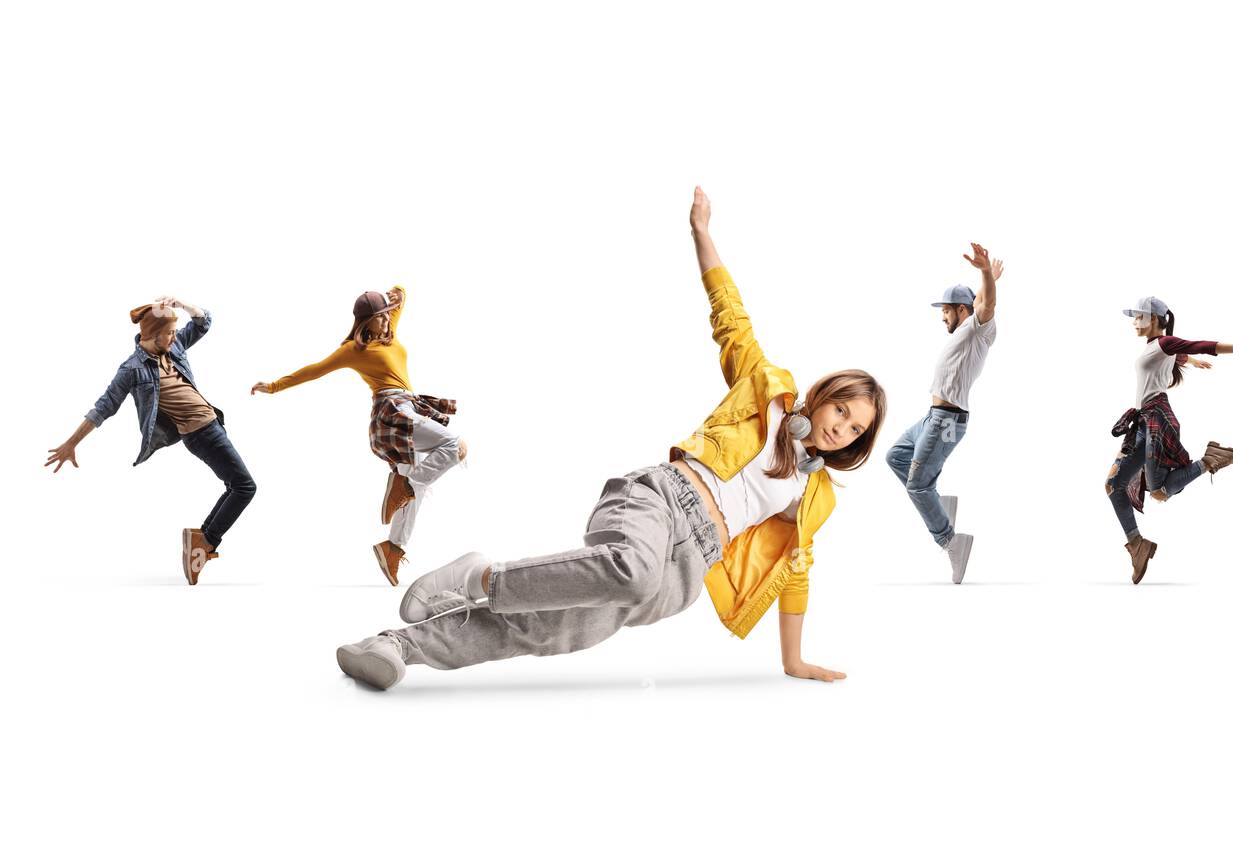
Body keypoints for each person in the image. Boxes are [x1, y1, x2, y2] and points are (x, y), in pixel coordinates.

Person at [334, 187, 887, 690]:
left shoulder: (810, 495)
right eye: (841, 409)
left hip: (689, 568)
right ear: (823, 395)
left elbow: (794, 571)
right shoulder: (768, 393)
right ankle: (477, 576)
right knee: (633, 569)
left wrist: (794, 661)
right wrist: (701, 232)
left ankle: (396, 647)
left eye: (855, 429)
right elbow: (731, 319)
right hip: (661, 500)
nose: (841, 428)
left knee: (551, 630)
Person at [250, 286, 466, 584]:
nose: (387, 321)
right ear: (366, 321)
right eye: (380, 317)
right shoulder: (354, 350)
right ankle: (404, 485)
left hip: (409, 407)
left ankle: (392, 548)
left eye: (387, 315)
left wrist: (397, 291)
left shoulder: (390, 331)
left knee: (412, 493)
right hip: (391, 413)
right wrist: (274, 386)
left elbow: (400, 298)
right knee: (455, 446)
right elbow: (315, 370)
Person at [46, 297, 255, 585]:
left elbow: (203, 322)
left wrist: (183, 305)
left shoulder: (173, 347)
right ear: (152, 334)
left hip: (213, 424)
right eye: (169, 333)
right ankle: (206, 541)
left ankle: (202, 538)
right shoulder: (132, 369)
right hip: (201, 434)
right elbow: (104, 407)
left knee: (236, 486)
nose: (174, 338)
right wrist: (72, 443)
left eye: (174, 332)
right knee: (245, 487)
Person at [1105, 296, 1233, 583]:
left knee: (1159, 490)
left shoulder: (1165, 343)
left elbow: (1196, 344)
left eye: (1139, 316)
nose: (1135, 322)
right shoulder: (1156, 347)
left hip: (1157, 423)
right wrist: (1191, 361)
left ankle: (1210, 460)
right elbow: (1178, 355)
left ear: (1154, 319)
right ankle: (1137, 545)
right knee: (1114, 485)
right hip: (1142, 424)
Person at [885, 246, 1002, 583]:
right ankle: (940, 507)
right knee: (896, 456)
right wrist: (988, 279)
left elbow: (986, 306)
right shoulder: (967, 328)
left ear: (962, 310)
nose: (942, 317)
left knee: (917, 486)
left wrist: (986, 273)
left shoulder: (978, 330)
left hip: (947, 422)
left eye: (946, 311)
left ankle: (951, 541)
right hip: (932, 417)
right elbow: (981, 300)